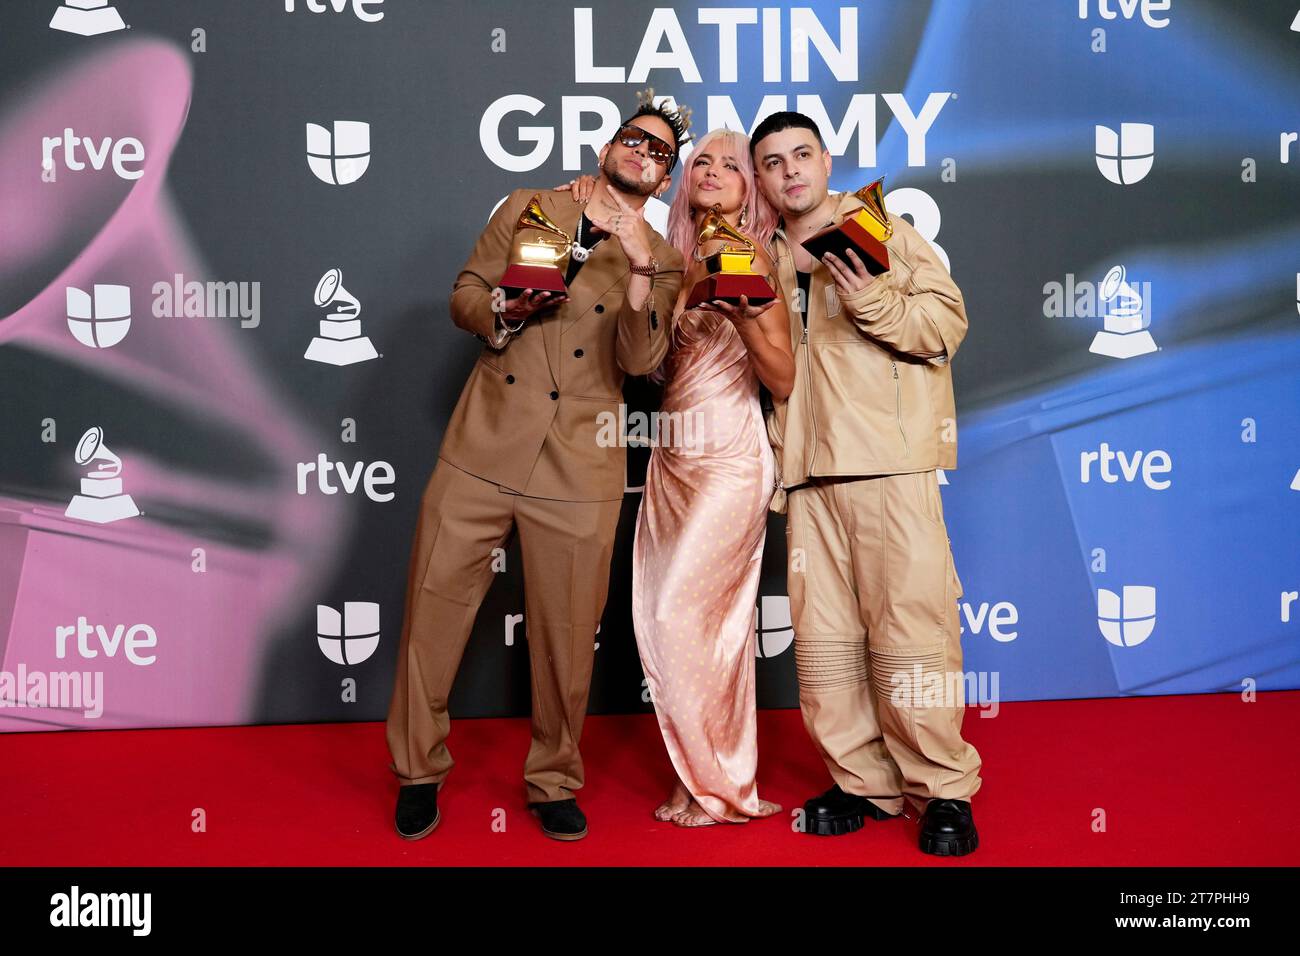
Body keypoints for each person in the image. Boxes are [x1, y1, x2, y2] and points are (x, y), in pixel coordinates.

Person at [385, 92, 686, 843]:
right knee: (433, 615)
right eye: (634, 139)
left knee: (564, 634)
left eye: (659, 153)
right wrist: (502, 314)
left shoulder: (666, 258)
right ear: (607, 147)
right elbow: (466, 294)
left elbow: (642, 360)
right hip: (485, 443)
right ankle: (419, 772)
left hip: (580, 464)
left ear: (665, 180)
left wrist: (641, 260)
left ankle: (554, 777)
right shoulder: (533, 206)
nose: (642, 153)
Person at [750, 111, 983, 855]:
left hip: (890, 464)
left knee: (913, 636)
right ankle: (864, 784)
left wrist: (874, 300)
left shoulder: (883, 229)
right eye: (773, 162)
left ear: (827, 160)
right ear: (760, 180)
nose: (790, 171)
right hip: (808, 477)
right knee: (826, 649)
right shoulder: (759, 260)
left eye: (802, 155)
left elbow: (946, 324)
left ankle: (941, 787)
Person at [564, 125, 795, 828]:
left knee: (691, 619)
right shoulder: (666, 258)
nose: (716, 171)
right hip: (671, 457)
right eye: (703, 162)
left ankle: (719, 787)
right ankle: (700, 777)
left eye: (732, 164)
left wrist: (746, 316)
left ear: (750, 187)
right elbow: (641, 356)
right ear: (682, 181)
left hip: (729, 456)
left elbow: (782, 376)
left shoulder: (754, 256)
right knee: (670, 625)